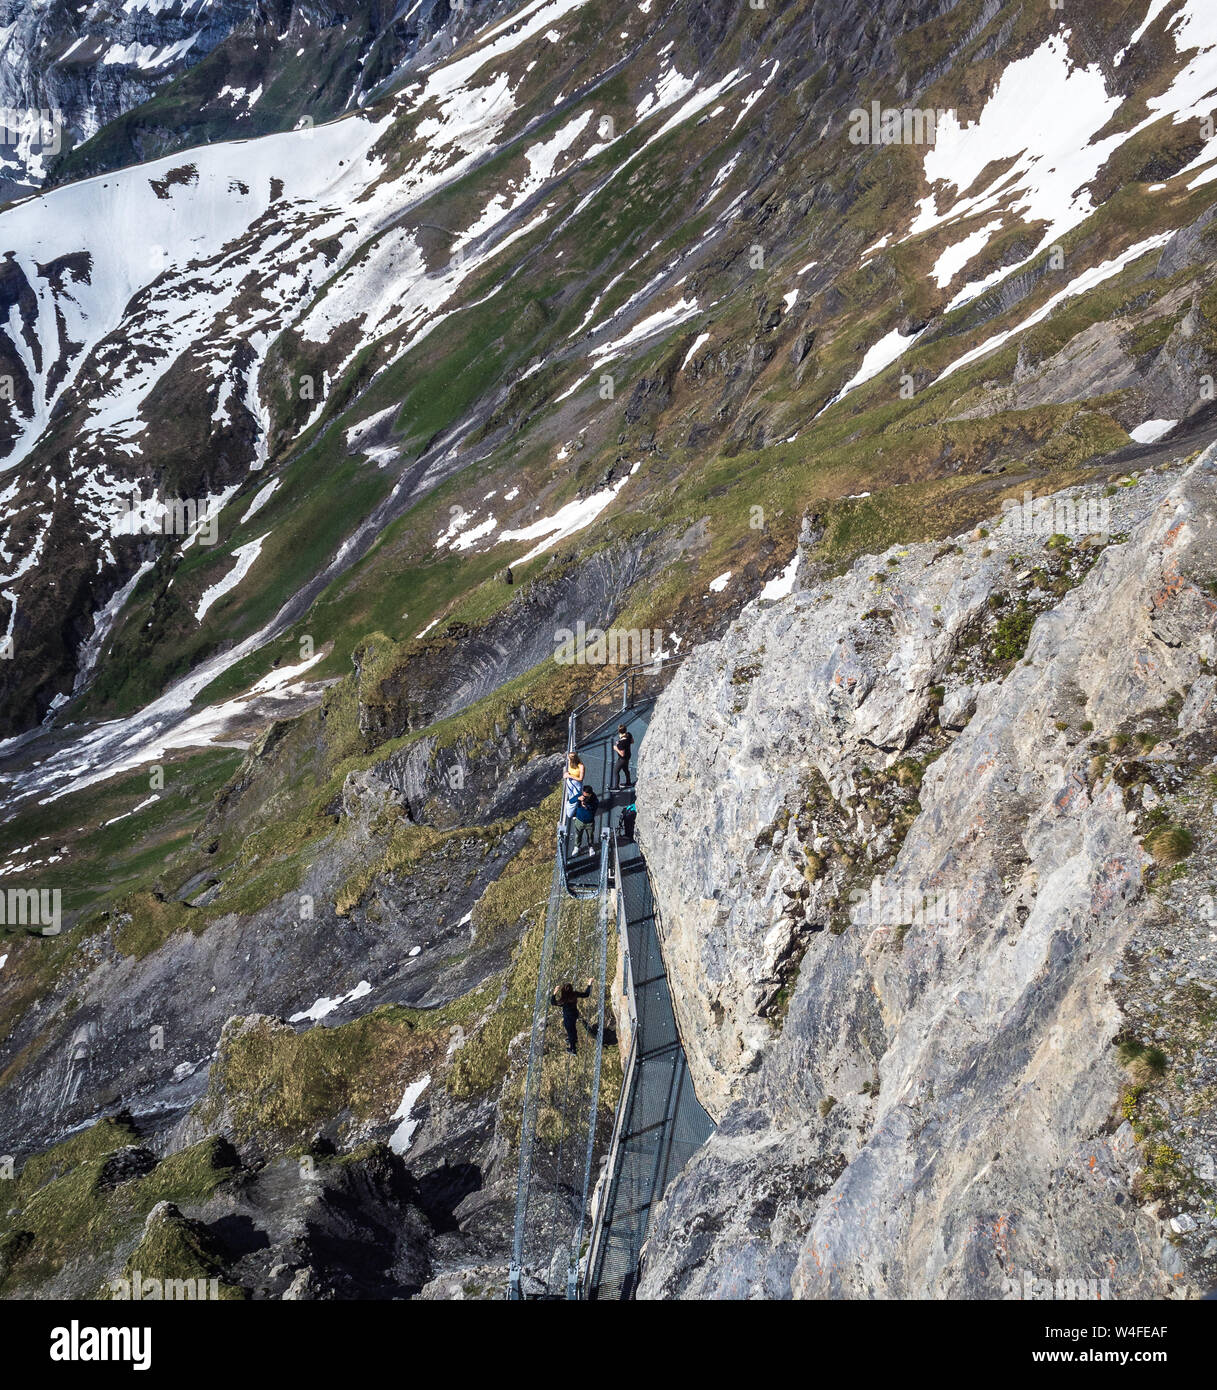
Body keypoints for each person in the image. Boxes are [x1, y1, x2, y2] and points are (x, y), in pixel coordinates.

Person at [552, 978, 593, 1054]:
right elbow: (586, 994)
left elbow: (553, 1003)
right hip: (574, 1015)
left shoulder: (563, 1000)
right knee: (572, 1028)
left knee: (570, 1031)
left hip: (568, 1017)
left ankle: (572, 1049)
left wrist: (554, 992)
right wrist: (589, 984)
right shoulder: (575, 994)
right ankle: (574, 1039)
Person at [572, 785, 599, 854]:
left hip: (589, 822)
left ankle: (590, 847)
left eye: (586, 796)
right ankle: (577, 847)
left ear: (590, 794)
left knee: (590, 836)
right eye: (583, 795)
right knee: (578, 835)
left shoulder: (595, 800)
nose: (584, 797)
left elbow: (594, 808)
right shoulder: (581, 795)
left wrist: (586, 806)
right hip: (579, 820)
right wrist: (578, 798)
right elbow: (571, 801)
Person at [561, 752, 585, 827]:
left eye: (569, 759)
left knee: (577, 798)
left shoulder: (581, 766)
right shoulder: (570, 763)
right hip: (570, 782)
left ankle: (578, 813)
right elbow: (568, 771)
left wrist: (570, 776)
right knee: (571, 797)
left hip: (577, 784)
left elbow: (581, 779)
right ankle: (574, 812)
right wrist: (566, 774)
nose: (568, 760)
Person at [612, 724, 634, 788]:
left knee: (615, 771)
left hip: (622, 759)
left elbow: (622, 754)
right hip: (628, 755)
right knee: (625, 769)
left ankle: (616, 787)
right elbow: (632, 741)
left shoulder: (621, 742)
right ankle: (628, 783)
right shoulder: (629, 734)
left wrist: (616, 748)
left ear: (619, 731)